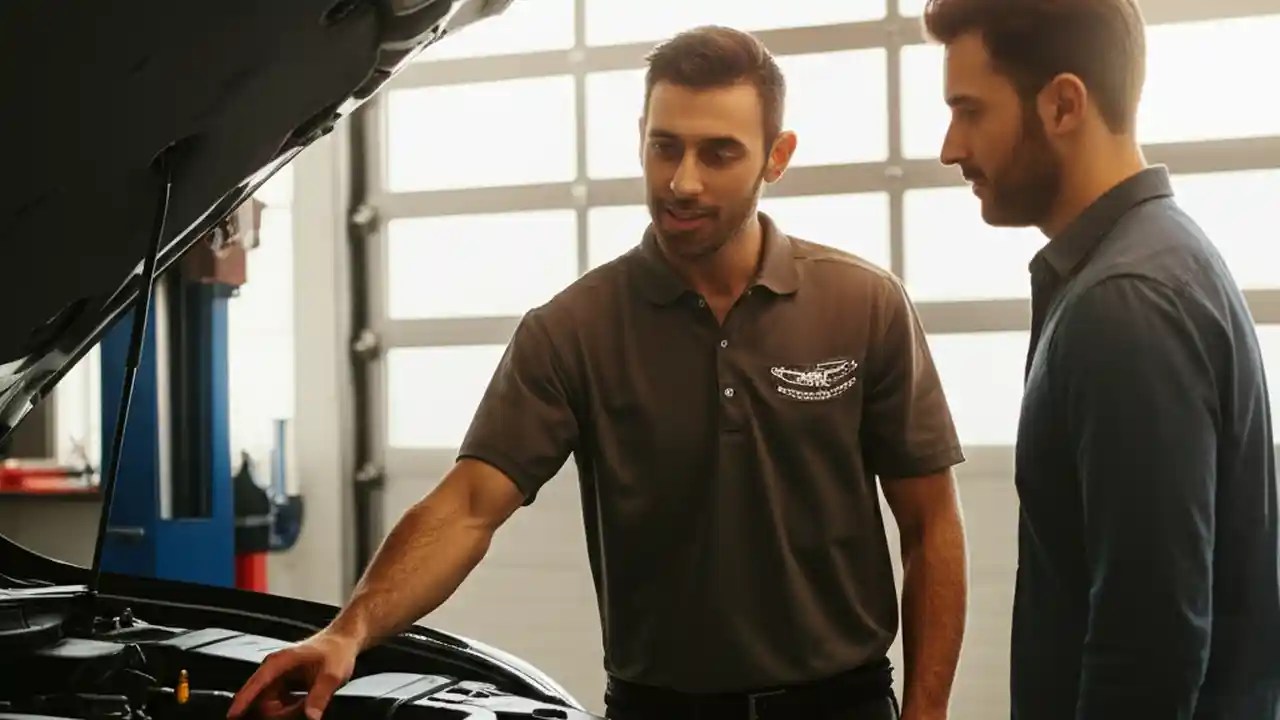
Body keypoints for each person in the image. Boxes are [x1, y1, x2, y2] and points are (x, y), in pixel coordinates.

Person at [228, 25, 969, 720]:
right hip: (658, 709)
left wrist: (928, 714)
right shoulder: (572, 331)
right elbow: (468, 507)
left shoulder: (863, 305)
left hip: (843, 704)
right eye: (664, 147)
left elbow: (930, 526)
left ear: (776, 156)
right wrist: (349, 631)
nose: (682, 182)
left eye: (719, 153)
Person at [921, 0, 1280, 718]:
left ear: (1062, 104)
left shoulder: (1126, 304)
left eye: (970, 110)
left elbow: (1148, 648)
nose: (949, 146)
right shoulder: (1151, 260)